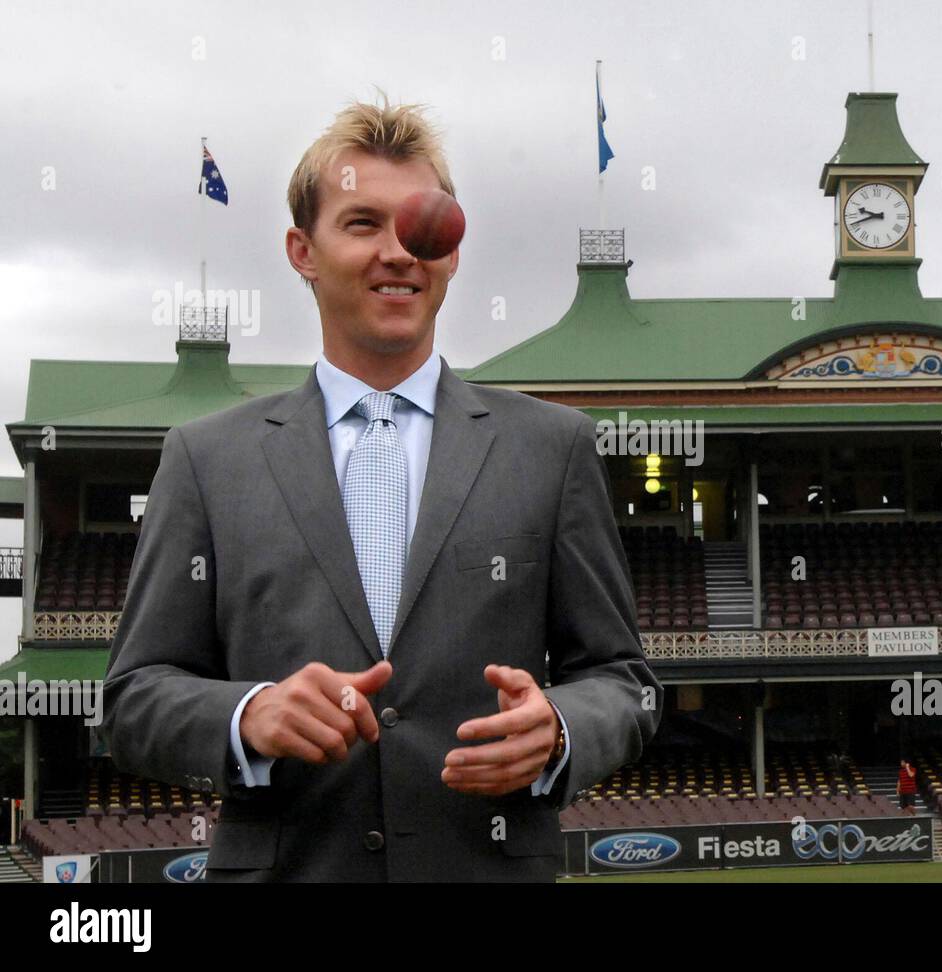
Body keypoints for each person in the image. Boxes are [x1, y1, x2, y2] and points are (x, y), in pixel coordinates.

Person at [102, 92, 661, 882]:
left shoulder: (551, 448)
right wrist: (249, 712)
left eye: (422, 225)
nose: (399, 251)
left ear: (453, 250)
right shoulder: (206, 459)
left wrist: (562, 728)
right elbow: (131, 698)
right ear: (302, 250)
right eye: (363, 223)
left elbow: (623, 682)